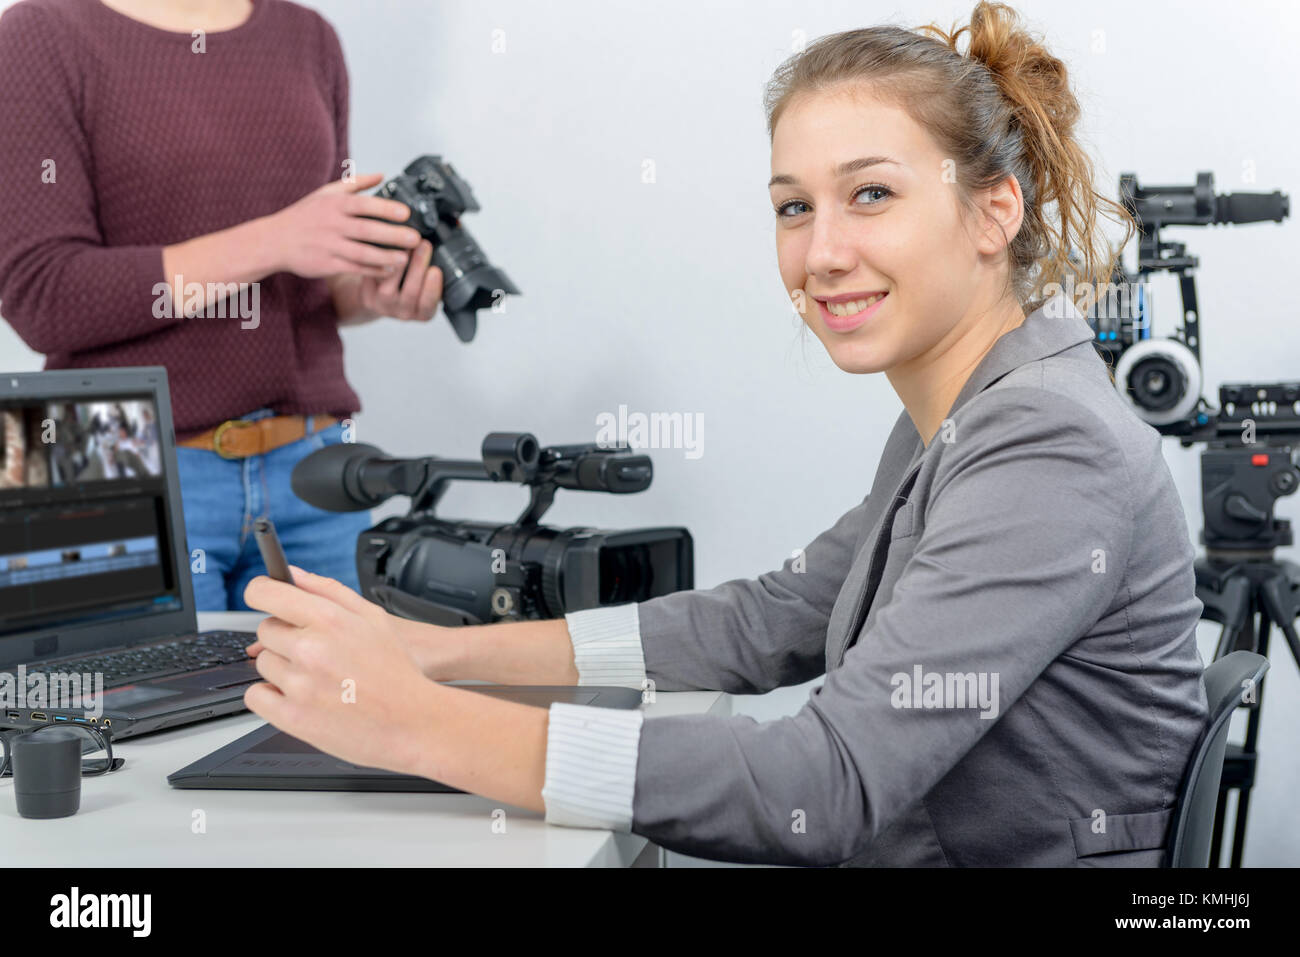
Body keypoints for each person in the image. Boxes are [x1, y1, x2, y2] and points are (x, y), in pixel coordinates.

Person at [235, 2, 1210, 866]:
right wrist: (440, 656)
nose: (821, 253)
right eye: (794, 207)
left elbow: (819, 787)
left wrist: (416, 725)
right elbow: (768, 621)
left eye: (870, 194)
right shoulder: (969, 416)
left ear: (993, 210)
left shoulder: (1046, 443)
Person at [0, 0, 446, 610]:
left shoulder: (307, 36)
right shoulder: (40, 33)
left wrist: (365, 292)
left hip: (311, 466)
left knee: (344, 701)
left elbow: (305, 279)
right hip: (114, 460)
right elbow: (43, 294)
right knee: (148, 706)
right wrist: (274, 238)